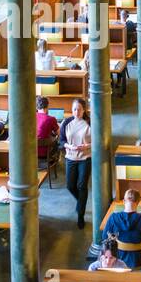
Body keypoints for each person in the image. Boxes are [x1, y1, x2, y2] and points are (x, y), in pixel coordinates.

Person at [104, 189, 141, 269]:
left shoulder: (113, 218)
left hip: (118, 259)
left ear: (124, 201)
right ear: (138, 202)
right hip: (139, 260)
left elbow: (104, 237)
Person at [60, 97, 92, 228]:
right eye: (74, 109)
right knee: (70, 186)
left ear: (84, 110)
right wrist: (69, 146)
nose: (77, 112)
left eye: (79, 109)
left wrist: (87, 146)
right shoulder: (66, 122)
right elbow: (61, 141)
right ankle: (81, 203)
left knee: (81, 186)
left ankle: (80, 215)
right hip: (71, 157)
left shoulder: (90, 122)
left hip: (85, 157)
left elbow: (97, 140)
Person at [35, 95, 60, 160]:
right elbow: (59, 133)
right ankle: (55, 160)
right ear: (47, 106)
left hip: (32, 151)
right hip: (46, 153)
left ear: (37, 107)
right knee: (57, 140)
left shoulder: (31, 117)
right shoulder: (51, 119)